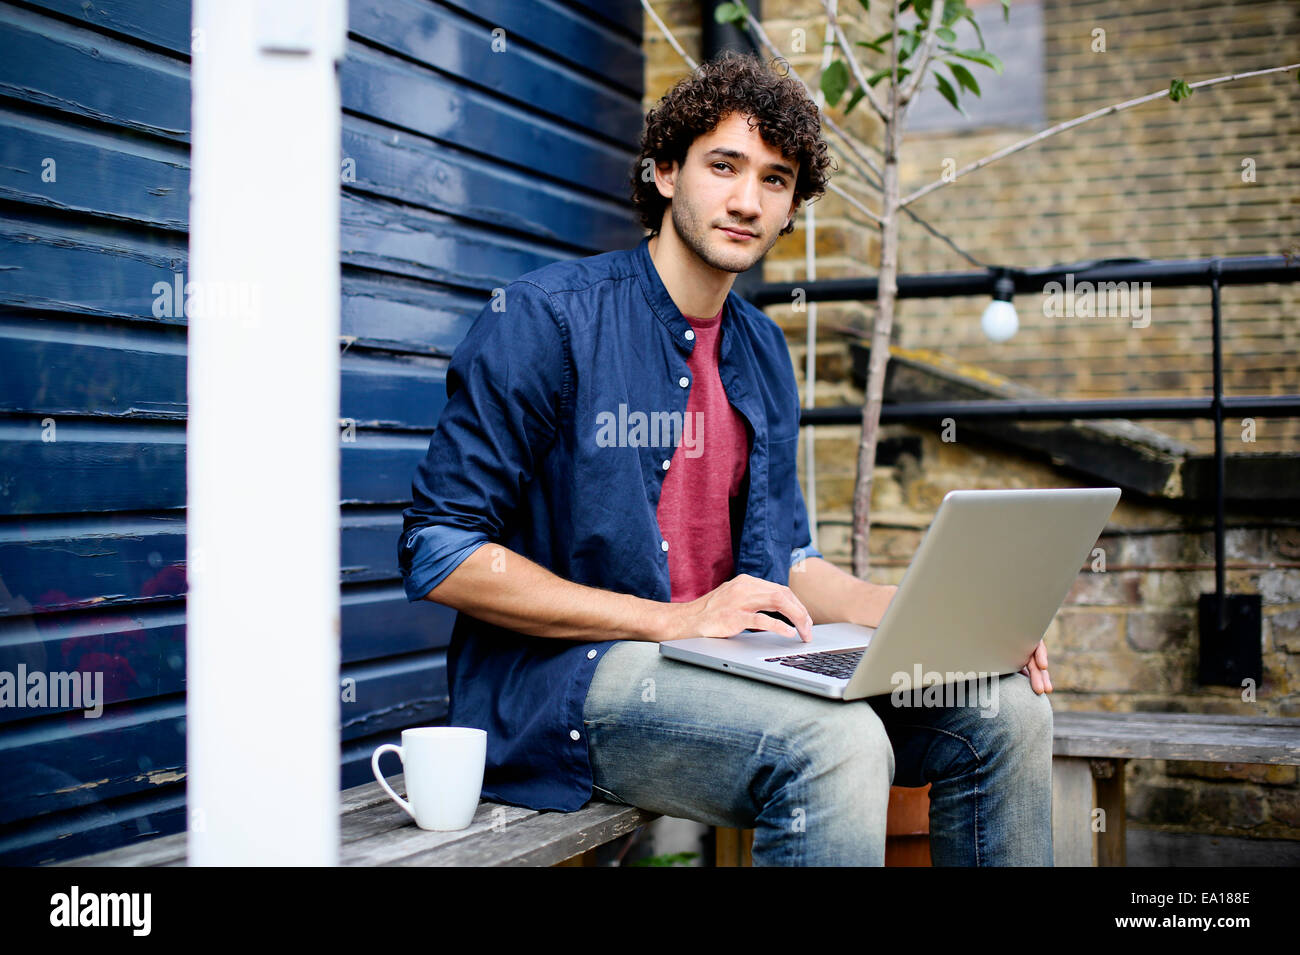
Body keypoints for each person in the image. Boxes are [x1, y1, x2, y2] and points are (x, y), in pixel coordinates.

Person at [398, 50, 1054, 866]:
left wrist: (912, 610)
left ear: (792, 206)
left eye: (775, 180)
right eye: (724, 165)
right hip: (563, 686)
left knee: (1004, 712)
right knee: (834, 742)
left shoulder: (762, 349)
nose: (747, 200)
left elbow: (787, 560)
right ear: (666, 171)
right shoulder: (547, 321)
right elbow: (441, 551)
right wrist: (674, 618)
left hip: (729, 669)